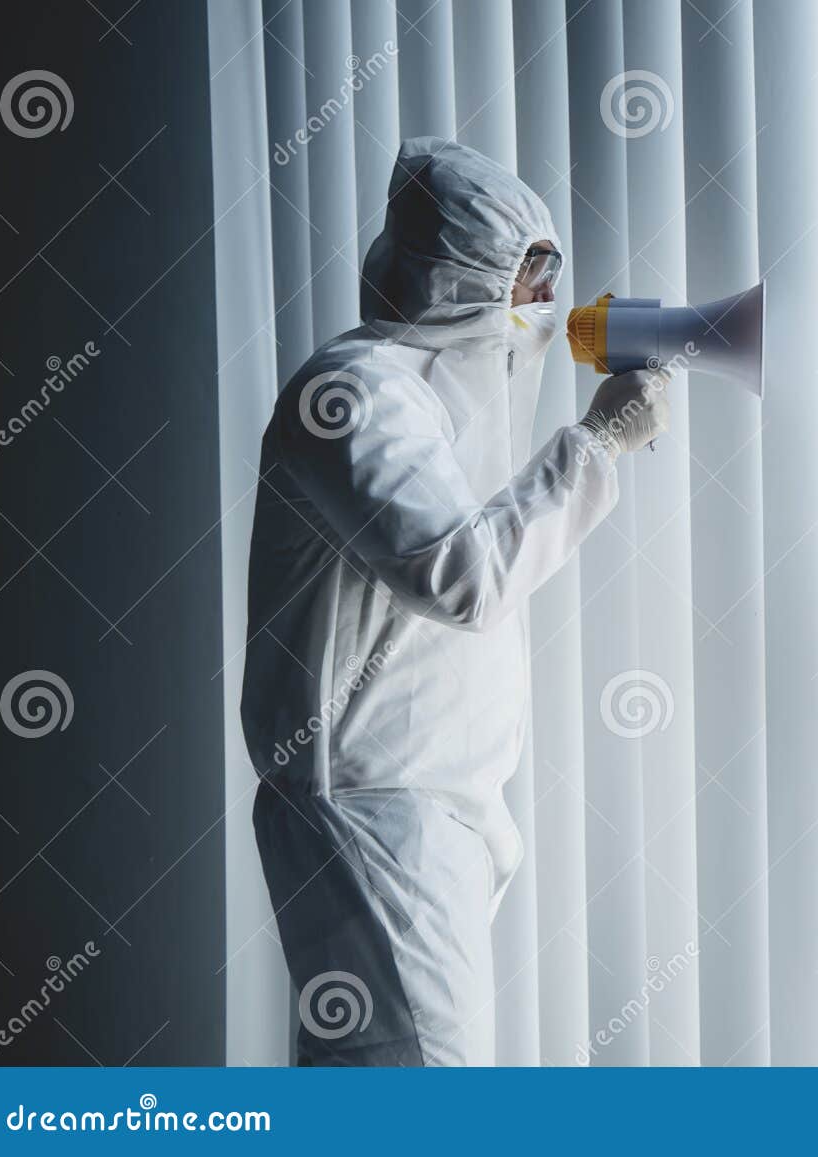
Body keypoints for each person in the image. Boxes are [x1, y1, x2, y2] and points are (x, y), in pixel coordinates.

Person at [240, 137, 667, 1065]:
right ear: (456, 278)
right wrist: (594, 446)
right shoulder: (353, 394)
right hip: (371, 805)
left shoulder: (423, 404)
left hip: (428, 807)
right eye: (524, 280)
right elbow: (460, 573)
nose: (541, 307)